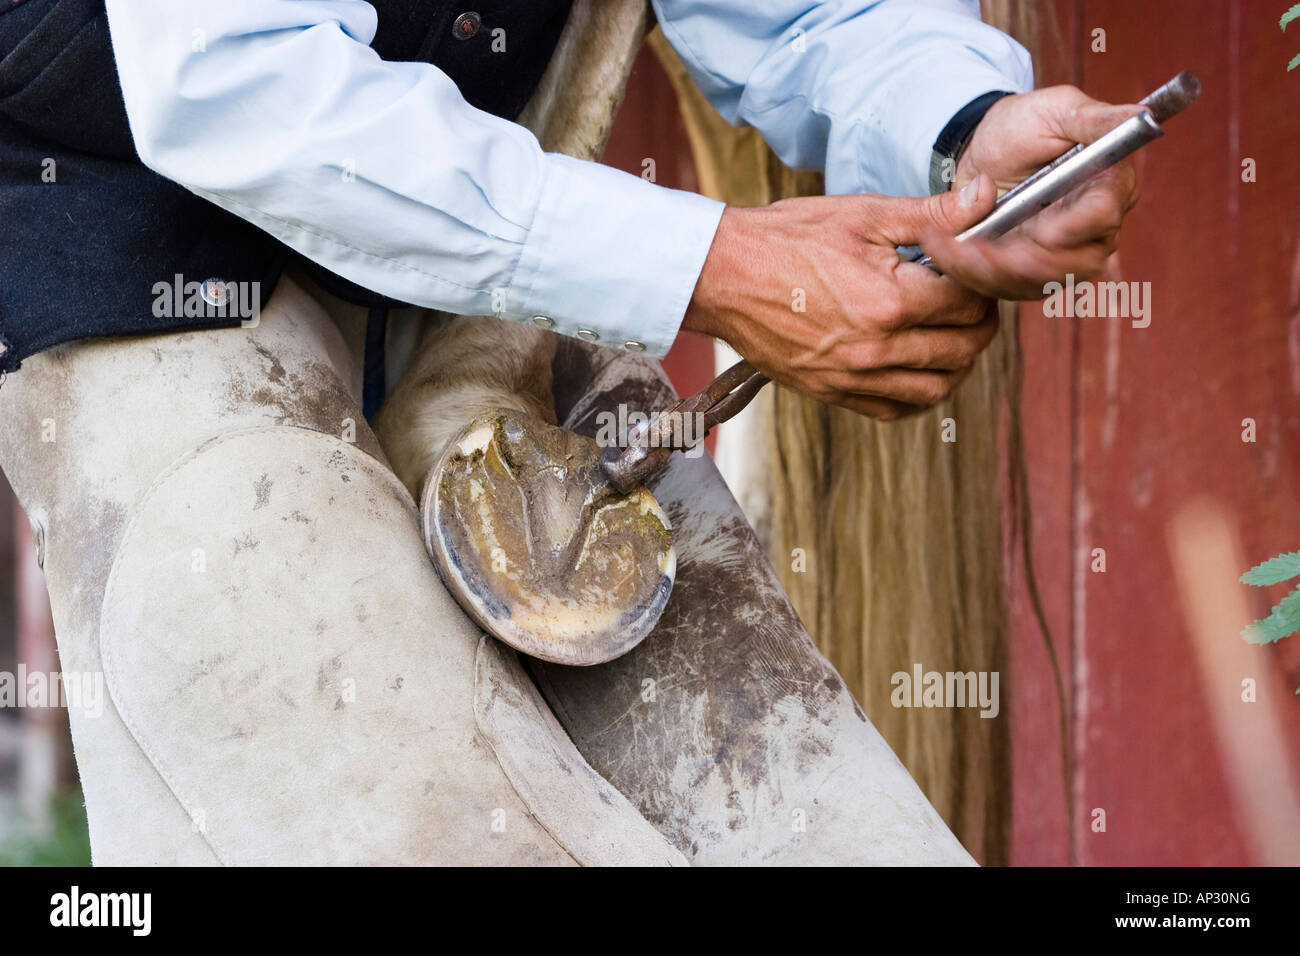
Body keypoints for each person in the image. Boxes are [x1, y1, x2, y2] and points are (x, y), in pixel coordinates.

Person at [0, 0, 1140, 864]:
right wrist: (716, 264)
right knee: (407, 799)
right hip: (142, 254)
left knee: (817, 813)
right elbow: (236, 79)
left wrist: (958, 121)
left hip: (488, 279)